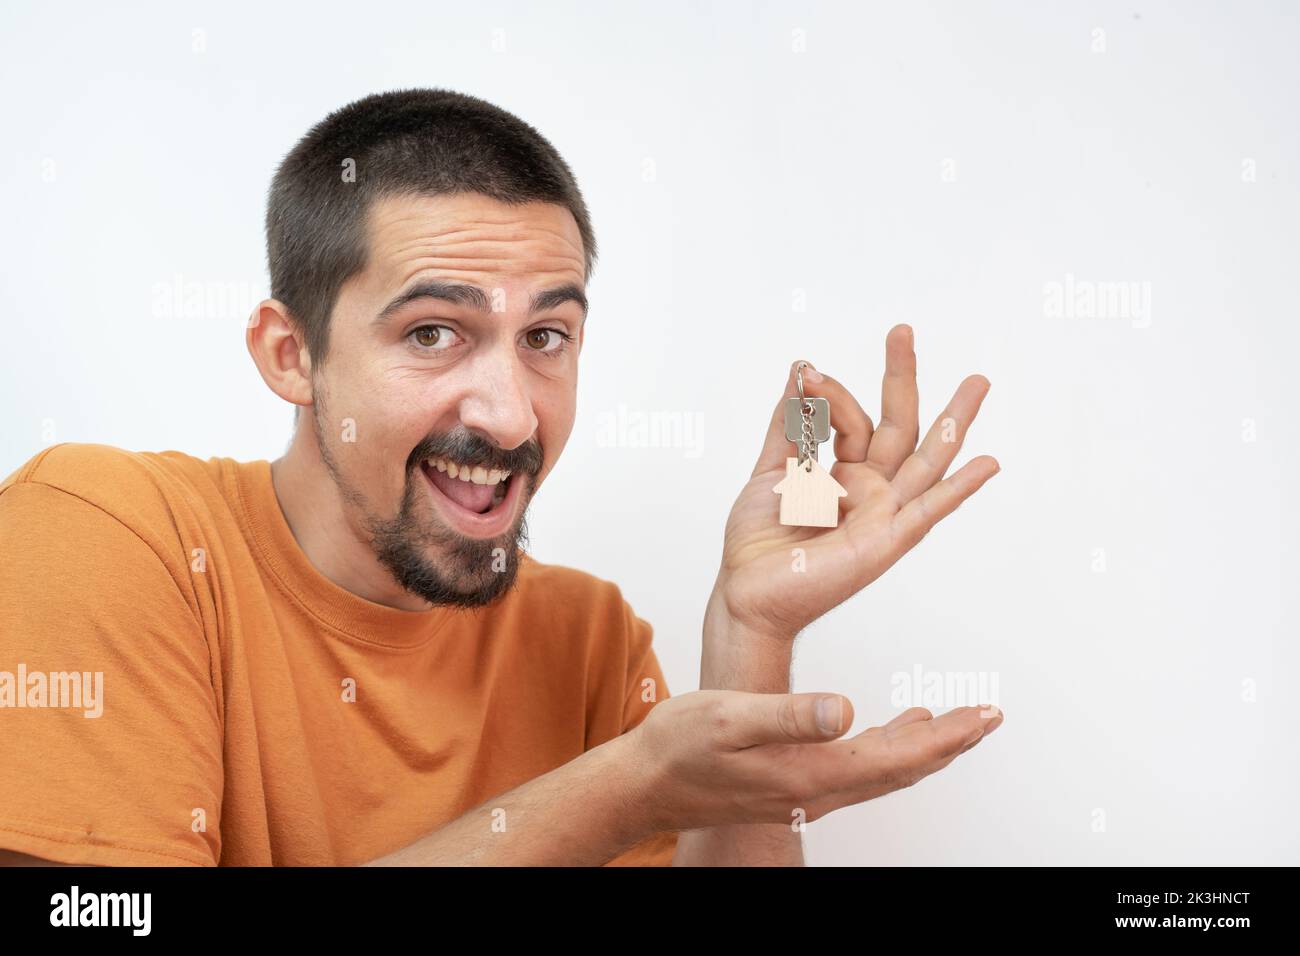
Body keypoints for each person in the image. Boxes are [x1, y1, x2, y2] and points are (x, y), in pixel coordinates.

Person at [0, 88, 1002, 867]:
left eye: (546, 336)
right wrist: (626, 786)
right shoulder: (107, 531)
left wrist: (753, 632)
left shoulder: (587, 638)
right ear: (290, 353)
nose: (513, 412)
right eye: (433, 332)